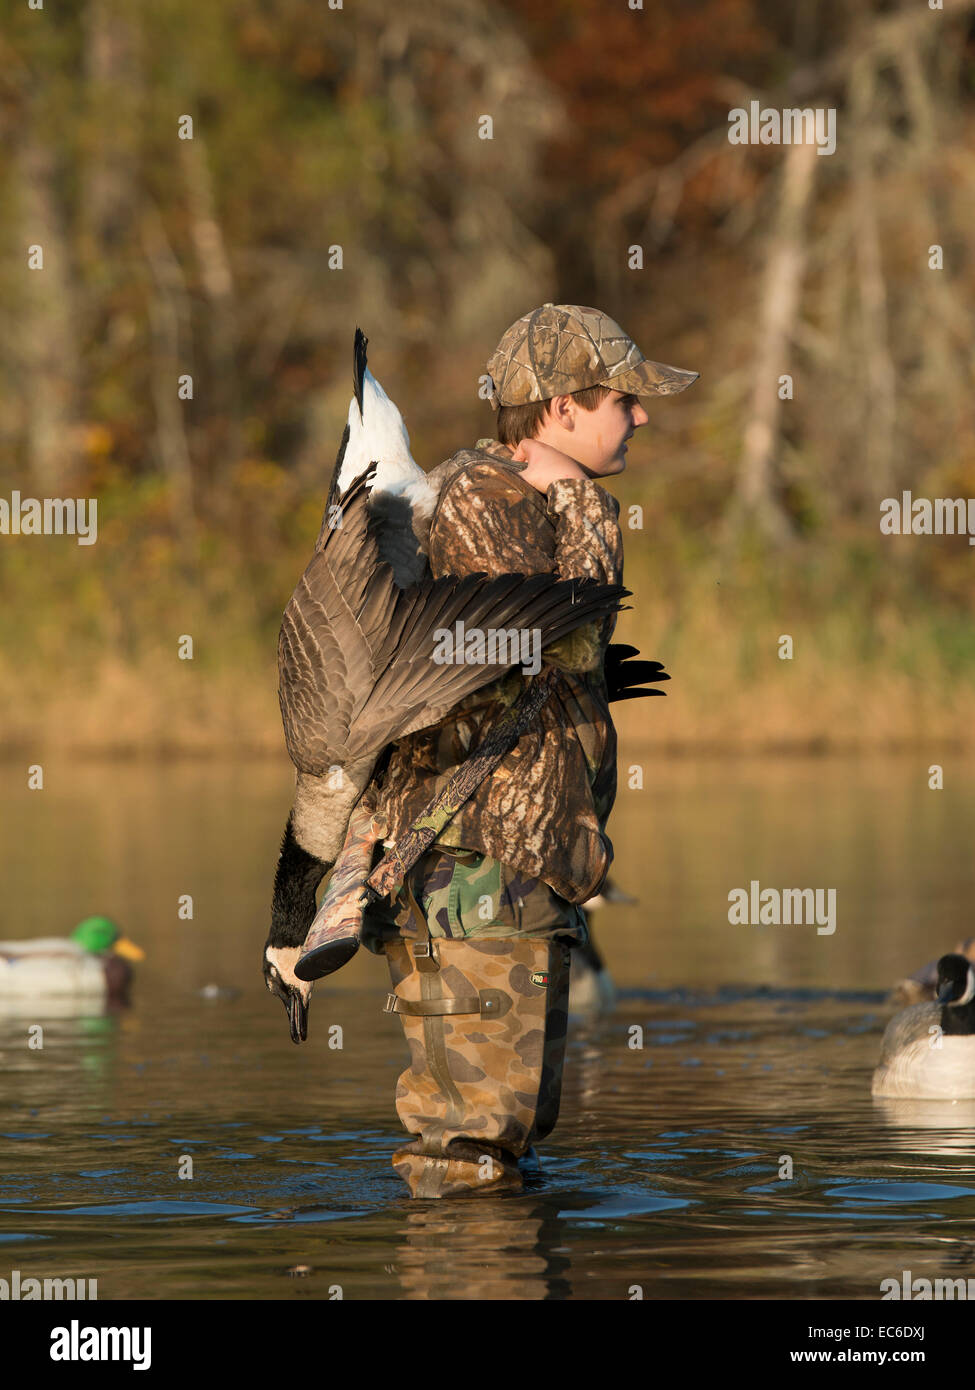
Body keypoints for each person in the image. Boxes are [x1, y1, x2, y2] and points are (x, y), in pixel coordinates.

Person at [366, 304, 698, 1198]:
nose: (639, 416)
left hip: (513, 862)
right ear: (559, 407)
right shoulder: (484, 495)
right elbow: (544, 644)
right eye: (622, 400)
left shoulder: (520, 495)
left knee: (494, 1137)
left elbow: (542, 654)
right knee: (471, 1142)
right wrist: (588, 509)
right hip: (476, 863)